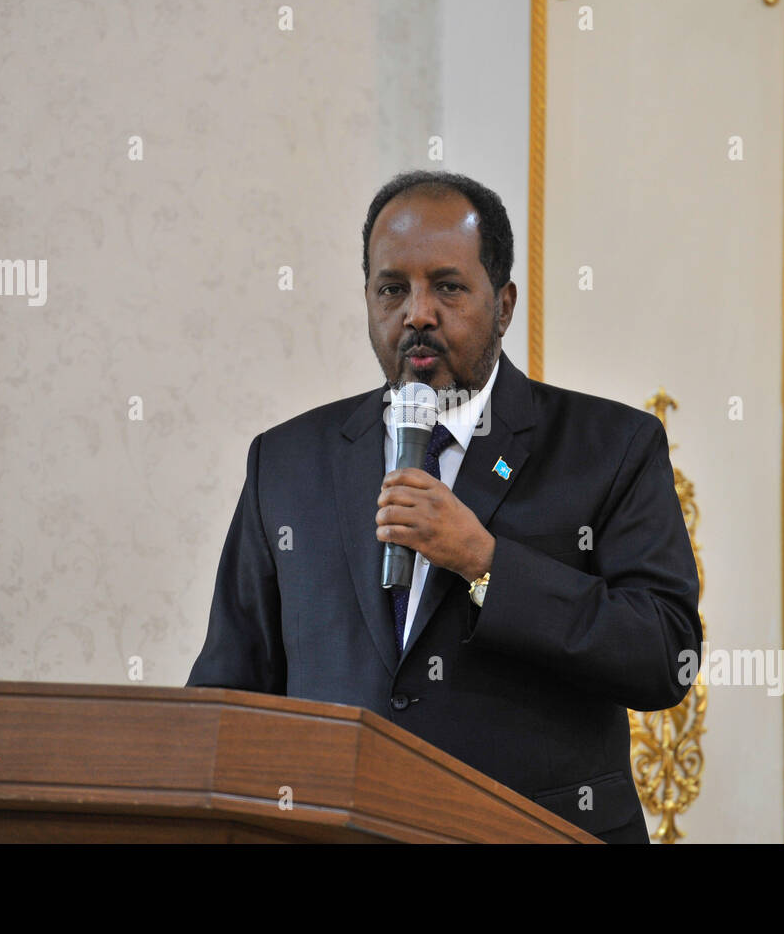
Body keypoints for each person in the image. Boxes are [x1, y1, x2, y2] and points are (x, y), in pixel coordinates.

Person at [186, 170, 701, 843]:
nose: (418, 313)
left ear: (504, 303)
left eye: (448, 287)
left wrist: (487, 563)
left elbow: (664, 654)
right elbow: (228, 693)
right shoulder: (285, 462)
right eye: (392, 288)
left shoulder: (609, 447)